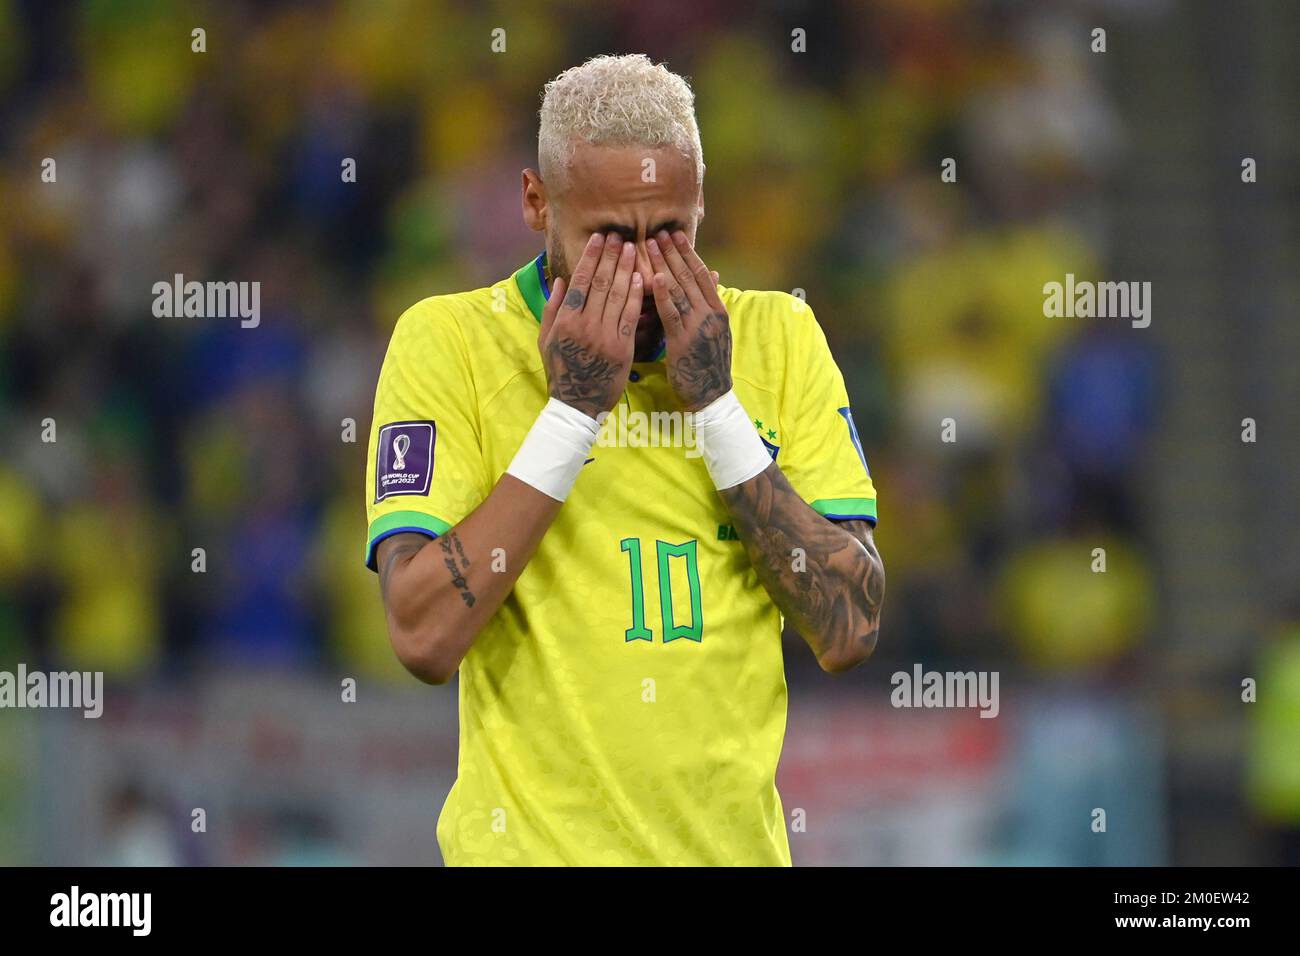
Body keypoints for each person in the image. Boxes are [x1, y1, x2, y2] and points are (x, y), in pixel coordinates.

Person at [364, 54, 884, 866]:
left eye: (671, 233)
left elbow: (849, 627)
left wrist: (716, 406)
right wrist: (571, 413)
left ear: (703, 196)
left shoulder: (780, 338)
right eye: (607, 238)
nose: (643, 271)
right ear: (537, 201)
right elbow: (422, 636)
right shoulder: (452, 342)